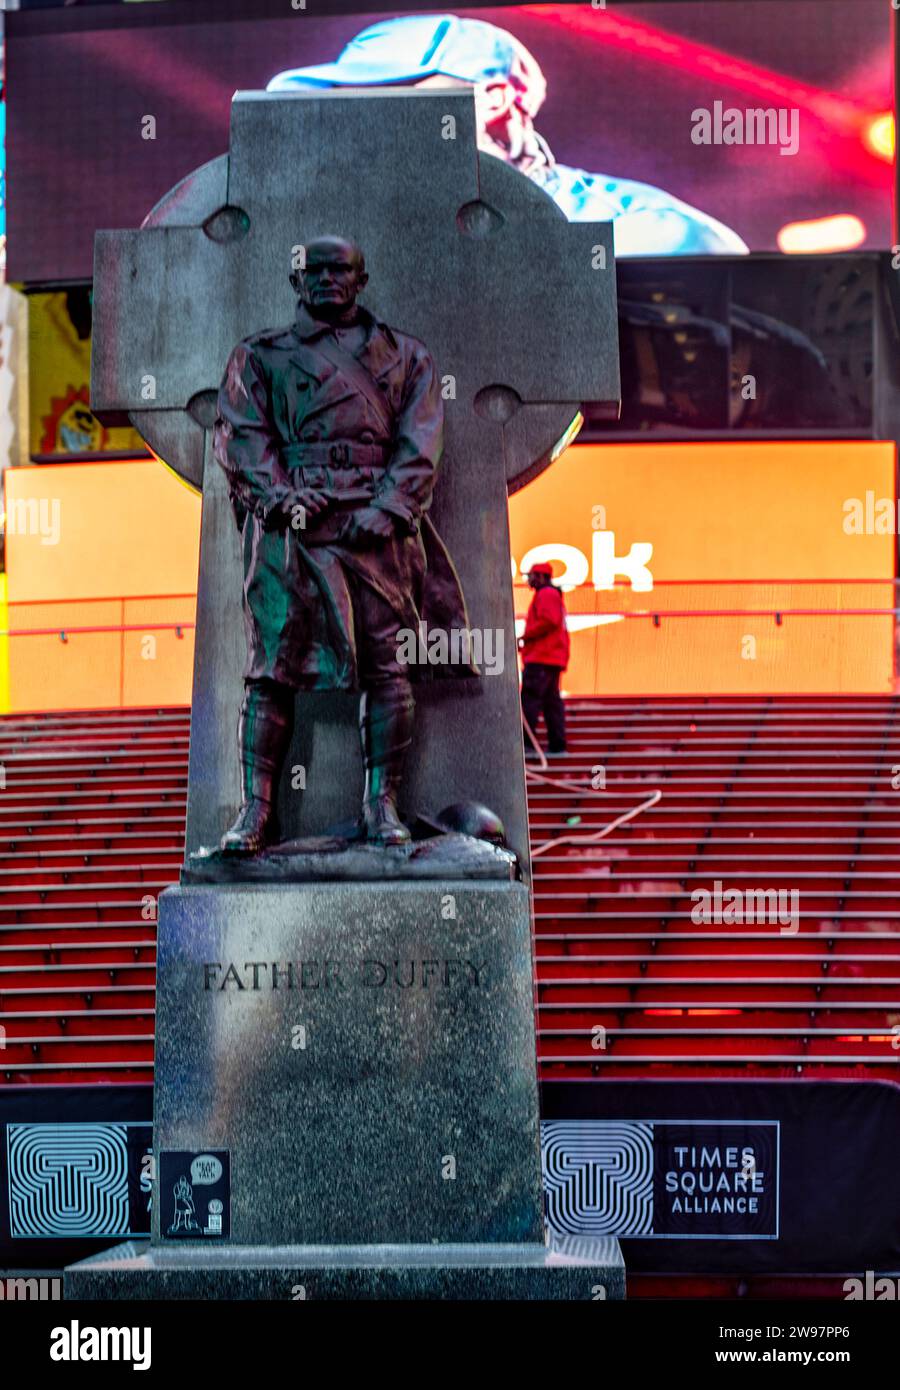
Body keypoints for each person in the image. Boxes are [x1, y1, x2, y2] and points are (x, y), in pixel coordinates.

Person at [213, 235, 470, 854]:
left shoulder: (405, 355)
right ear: (295, 280)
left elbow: (421, 441)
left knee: (388, 668)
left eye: (340, 269)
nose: (328, 279)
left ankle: (381, 805)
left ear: (362, 277)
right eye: (315, 270)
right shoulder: (259, 357)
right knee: (270, 670)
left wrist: (389, 507)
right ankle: (255, 812)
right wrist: (278, 499)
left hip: (376, 532)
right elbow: (241, 435)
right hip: (292, 531)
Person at [267, 13, 748, 258]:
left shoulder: (647, 233)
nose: (365, 120)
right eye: (349, 100)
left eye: (391, 91)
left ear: (492, 100)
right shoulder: (348, 246)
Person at [519, 562, 570, 756]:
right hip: (551, 657)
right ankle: (557, 746)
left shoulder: (546, 594)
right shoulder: (553, 595)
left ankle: (526, 745)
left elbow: (548, 621)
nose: (529, 580)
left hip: (542, 657)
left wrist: (525, 637)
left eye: (531, 576)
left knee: (530, 700)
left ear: (540, 577)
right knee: (551, 702)